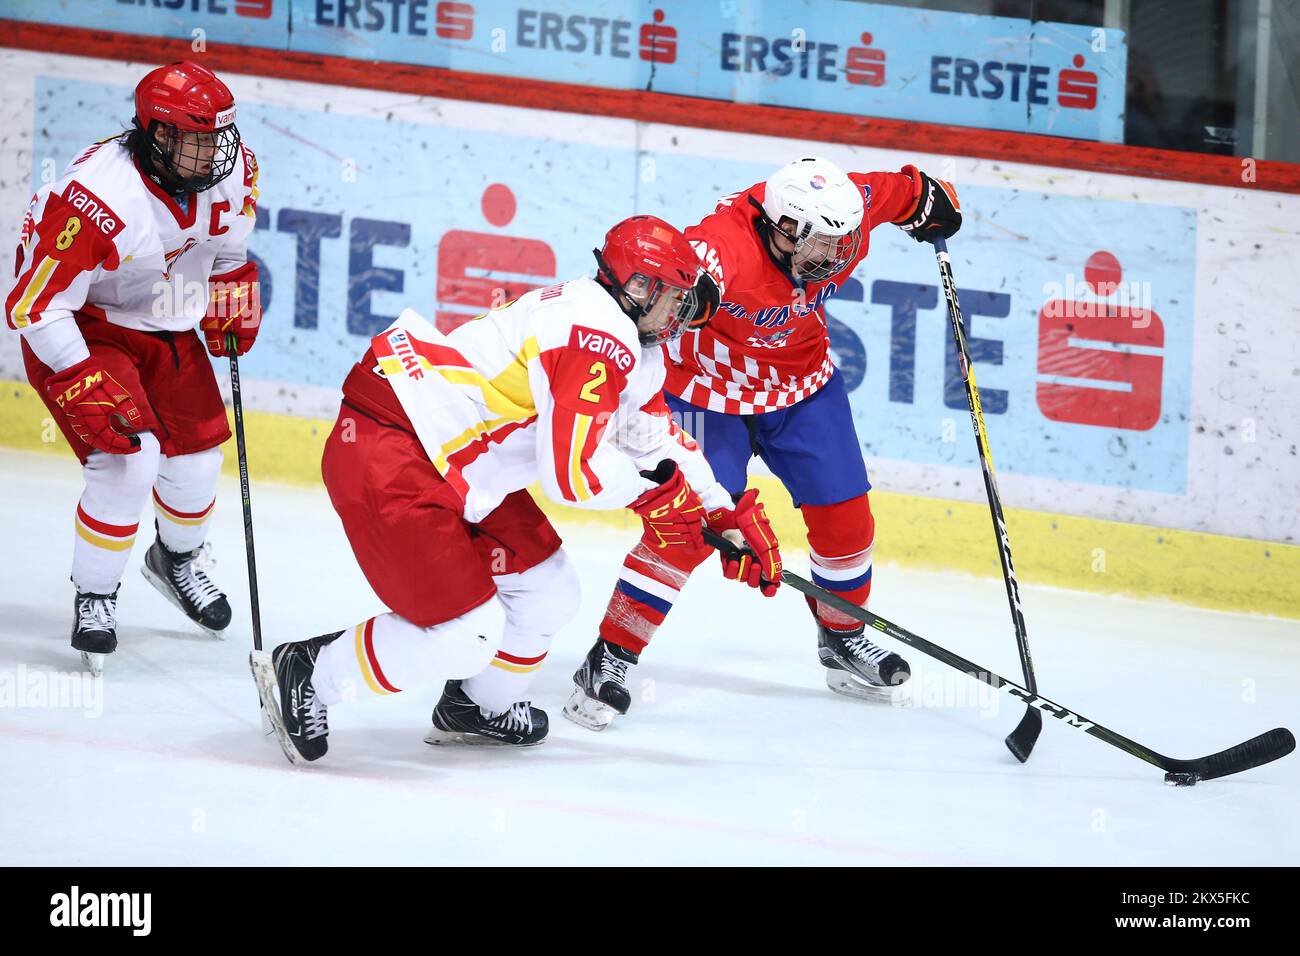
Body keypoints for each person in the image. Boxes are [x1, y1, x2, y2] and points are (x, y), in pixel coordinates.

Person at [249, 215, 782, 764]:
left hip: (456, 459)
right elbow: (572, 476)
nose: (682, 312)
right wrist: (654, 498)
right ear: (639, 287)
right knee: (467, 634)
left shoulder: (630, 340)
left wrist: (720, 510)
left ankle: (476, 708)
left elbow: (653, 438)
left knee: (550, 591)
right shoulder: (597, 336)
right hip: (396, 449)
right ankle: (308, 672)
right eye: (674, 295)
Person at [573, 156, 961, 722]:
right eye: (818, 246)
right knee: (685, 528)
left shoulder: (844, 214)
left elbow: (913, 193)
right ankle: (611, 654)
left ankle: (843, 635)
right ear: (781, 228)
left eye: (841, 243)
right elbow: (645, 308)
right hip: (704, 396)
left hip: (802, 388)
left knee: (848, 518)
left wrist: (933, 202)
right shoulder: (716, 253)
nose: (831, 258)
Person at [3, 61, 262, 672]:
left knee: (198, 464)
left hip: (162, 323)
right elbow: (33, 305)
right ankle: (95, 595)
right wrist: (78, 371)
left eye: (217, 136)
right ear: (156, 134)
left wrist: (232, 293)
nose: (213, 154)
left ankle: (175, 561)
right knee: (129, 462)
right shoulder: (93, 199)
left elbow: (227, 250)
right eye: (195, 140)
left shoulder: (237, 169)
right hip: (83, 328)